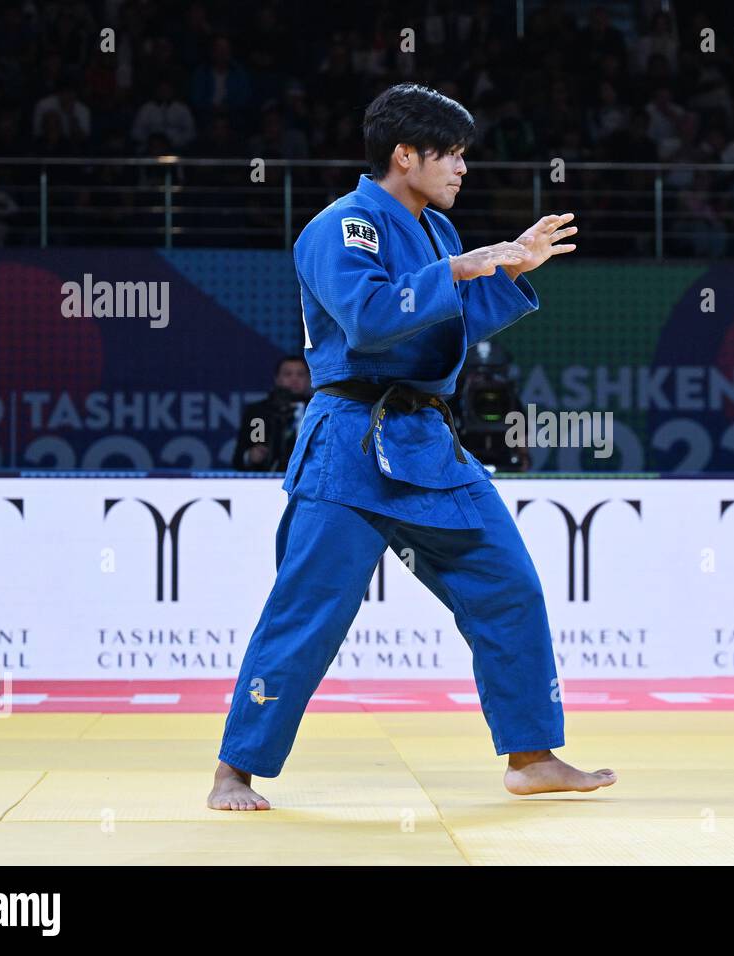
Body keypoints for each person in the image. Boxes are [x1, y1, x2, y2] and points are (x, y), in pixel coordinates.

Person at [208, 83, 613, 810]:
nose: (462, 168)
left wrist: (509, 269)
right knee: (310, 609)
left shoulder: (437, 233)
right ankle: (236, 768)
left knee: (507, 585)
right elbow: (366, 317)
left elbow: (448, 328)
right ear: (404, 155)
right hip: (349, 444)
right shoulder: (344, 225)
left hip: (427, 442)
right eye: (450, 154)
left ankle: (530, 754)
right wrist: (457, 270)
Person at [233, 355, 311, 472]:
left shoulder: (319, 411)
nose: (294, 379)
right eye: (288, 374)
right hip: (267, 480)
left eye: (300, 374)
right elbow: (239, 457)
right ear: (277, 379)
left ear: (309, 379)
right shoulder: (259, 413)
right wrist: (251, 455)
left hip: (308, 480)